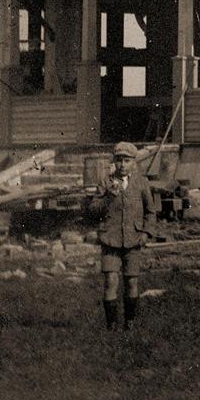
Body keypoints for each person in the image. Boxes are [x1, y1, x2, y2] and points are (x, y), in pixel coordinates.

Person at [87, 141, 158, 329]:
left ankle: (130, 321)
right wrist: (109, 196)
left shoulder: (141, 183)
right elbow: (93, 210)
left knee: (132, 280)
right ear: (114, 162)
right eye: (119, 161)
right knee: (111, 280)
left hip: (133, 239)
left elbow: (150, 212)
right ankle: (111, 324)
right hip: (110, 239)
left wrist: (146, 233)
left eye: (127, 161)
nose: (123, 165)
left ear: (134, 162)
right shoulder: (105, 183)